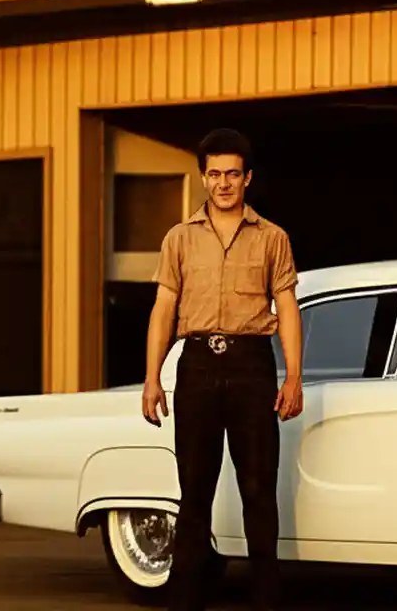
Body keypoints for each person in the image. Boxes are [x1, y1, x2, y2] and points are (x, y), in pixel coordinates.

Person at [141, 128, 303, 611]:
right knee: (193, 493)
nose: (223, 183)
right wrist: (152, 377)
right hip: (196, 369)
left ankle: (265, 599)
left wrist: (293, 375)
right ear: (203, 178)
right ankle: (185, 600)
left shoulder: (272, 237)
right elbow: (163, 309)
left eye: (233, 173)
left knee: (258, 491)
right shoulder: (179, 239)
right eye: (214, 174)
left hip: (252, 366)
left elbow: (288, 306)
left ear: (247, 178)